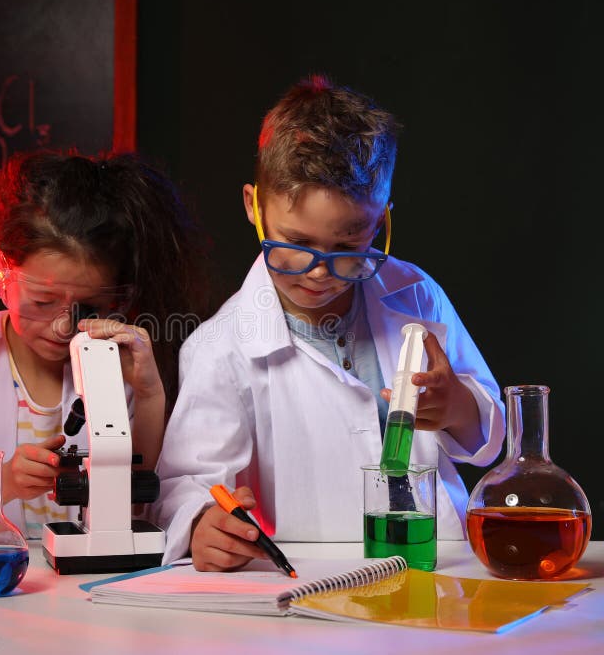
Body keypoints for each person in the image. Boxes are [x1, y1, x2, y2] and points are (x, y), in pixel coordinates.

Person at [151, 75, 505, 570]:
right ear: (254, 207)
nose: (319, 271)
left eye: (346, 247)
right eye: (295, 244)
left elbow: (487, 436)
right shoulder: (220, 348)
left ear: (380, 221)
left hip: (441, 561)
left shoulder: (416, 295)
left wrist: (458, 406)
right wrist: (202, 521)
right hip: (315, 576)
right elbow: (186, 483)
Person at [0, 149, 209, 552]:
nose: (63, 327)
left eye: (88, 307)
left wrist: (150, 395)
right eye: (42, 300)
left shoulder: (114, 361)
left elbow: (139, 501)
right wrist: (1, 486)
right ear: (2, 270)